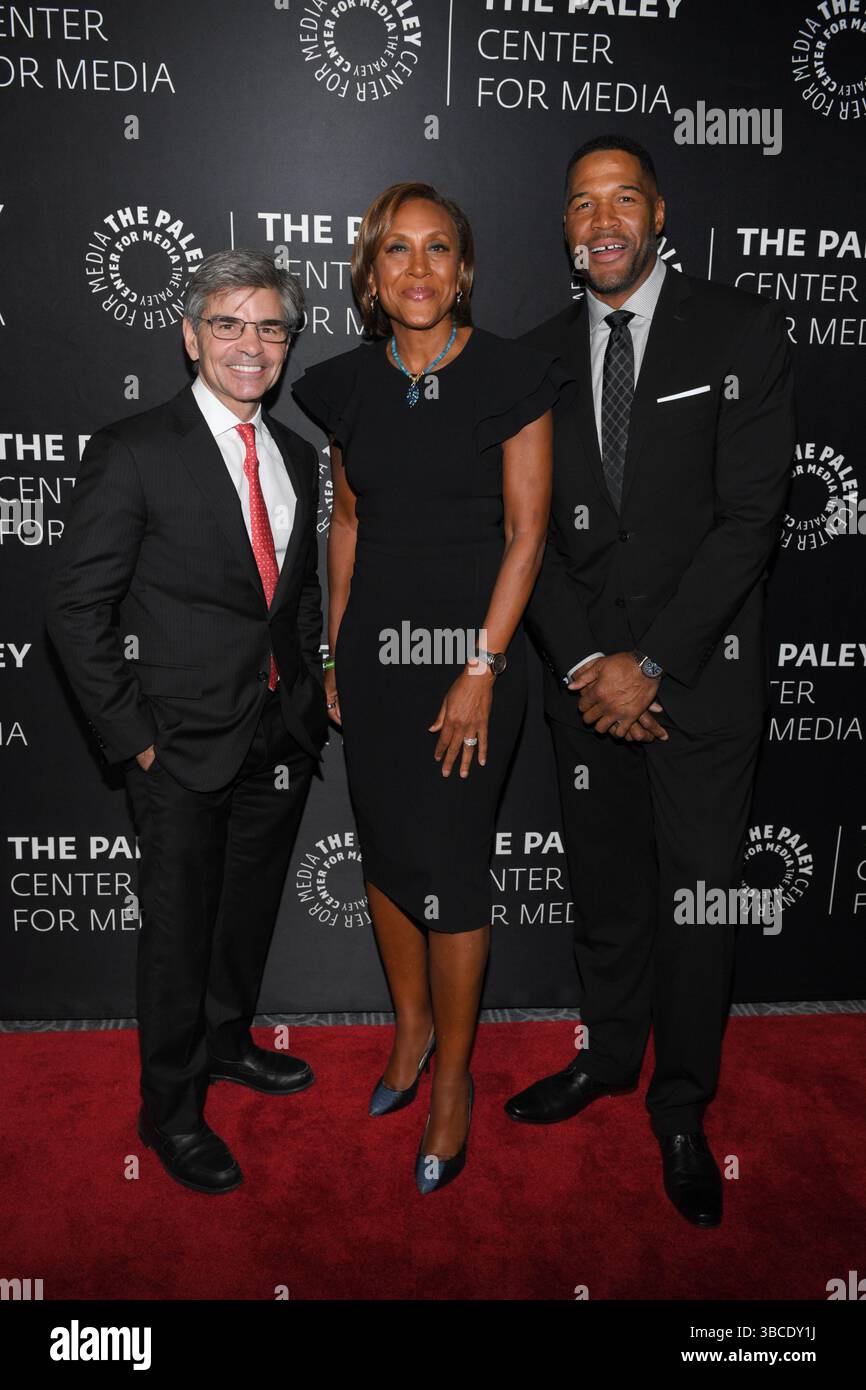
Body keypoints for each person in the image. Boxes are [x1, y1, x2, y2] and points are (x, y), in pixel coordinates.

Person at [506, 135, 796, 1227]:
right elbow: (522, 536)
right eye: (581, 203)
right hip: (582, 687)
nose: (602, 219)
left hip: (699, 687)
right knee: (609, 897)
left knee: (698, 900)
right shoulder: (531, 358)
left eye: (622, 198)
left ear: (659, 214)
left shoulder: (740, 329)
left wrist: (653, 664)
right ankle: (607, 1059)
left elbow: (746, 520)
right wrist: (589, 664)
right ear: (565, 228)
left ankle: (681, 1105)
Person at [292, 182, 569, 1194]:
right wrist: (331, 651)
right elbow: (348, 523)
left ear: (464, 269)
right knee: (387, 848)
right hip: (372, 660)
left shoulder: (511, 375)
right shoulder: (343, 387)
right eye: (395, 252)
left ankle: (451, 1078)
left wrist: (480, 668)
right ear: (369, 273)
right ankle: (407, 1030)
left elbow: (526, 531)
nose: (416, 269)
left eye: (437, 249)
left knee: (449, 867)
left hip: (471, 663)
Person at [45, 250, 328, 1195]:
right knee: (176, 933)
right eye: (229, 324)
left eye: (271, 328)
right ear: (189, 335)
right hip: (176, 746)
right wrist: (134, 738)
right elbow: (76, 612)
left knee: (243, 916)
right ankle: (169, 1110)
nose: (251, 346)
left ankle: (227, 1042)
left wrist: (310, 693)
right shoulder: (135, 449)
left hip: (277, 737)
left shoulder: (295, 455)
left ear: (289, 344)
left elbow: (291, 599)